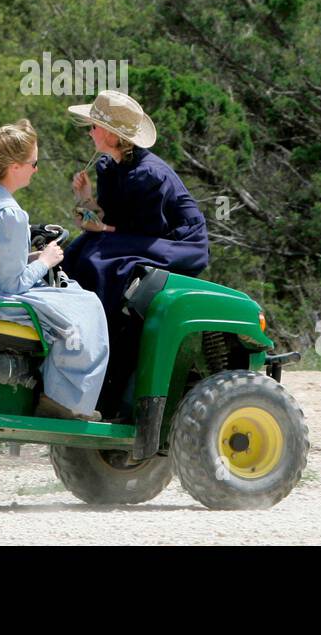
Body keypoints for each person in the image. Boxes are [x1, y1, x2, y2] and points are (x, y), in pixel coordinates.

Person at [0, 119, 109, 422]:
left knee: (75, 295)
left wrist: (33, 256)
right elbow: (10, 286)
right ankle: (62, 402)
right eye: (33, 163)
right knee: (87, 308)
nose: (36, 169)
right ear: (15, 167)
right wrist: (45, 261)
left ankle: (59, 393)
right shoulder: (9, 213)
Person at [62, 91, 210, 416]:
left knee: (100, 257)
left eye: (94, 127)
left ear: (113, 135)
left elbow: (139, 232)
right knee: (79, 249)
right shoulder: (109, 166)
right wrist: (85, 197)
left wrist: (100, 230)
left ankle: (101, 339)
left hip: (178, 243)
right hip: (136, 237)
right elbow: (103, 222)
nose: (90, 132)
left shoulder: (148, 176)